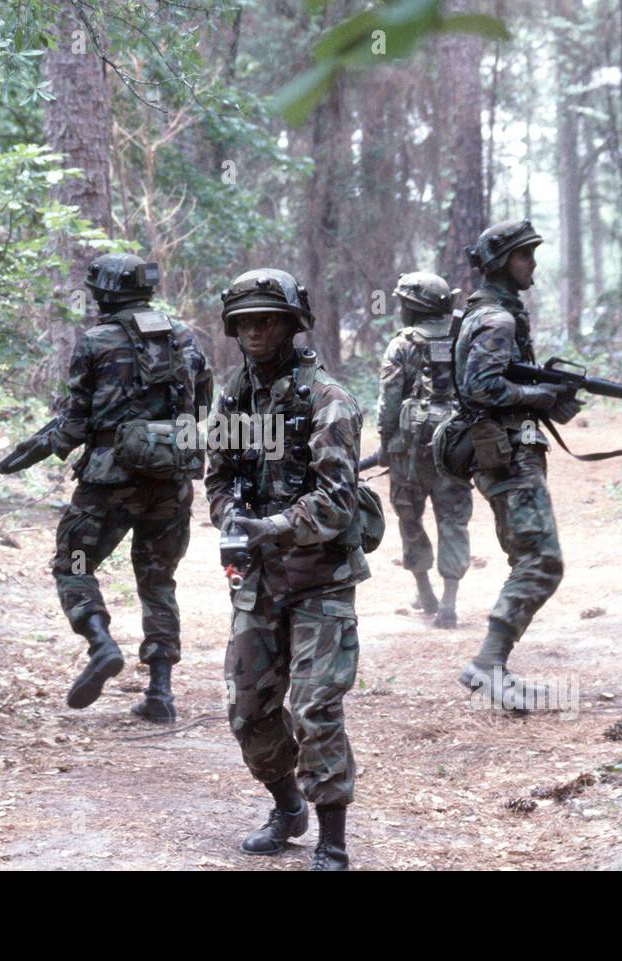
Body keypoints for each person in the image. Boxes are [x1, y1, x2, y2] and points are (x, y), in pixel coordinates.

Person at [206, 268, 368, 871]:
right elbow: (217, 477)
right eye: (244, 322)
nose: (254, 331)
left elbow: (337, 499)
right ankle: (286, 807)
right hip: (259, 581)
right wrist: (234, 521)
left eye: (266, 320)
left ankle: (332, 839)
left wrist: (271, 528)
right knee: (248, 709)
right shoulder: (234, 396)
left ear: (291, 324)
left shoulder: (329, 400)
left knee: (315, 706)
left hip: (320, 580)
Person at [44, 253, 212, 722]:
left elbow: (72, 425)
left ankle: (101, 645)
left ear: (103, 292)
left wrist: (21, 456)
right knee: (158, 581)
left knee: (73, 564)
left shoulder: (96, 341)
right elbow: (202, 404)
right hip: (171, 483)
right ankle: (160, 693)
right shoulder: (184, 337)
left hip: (107, 485)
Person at [452, 221, 581, 708]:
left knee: (530, 557)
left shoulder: (494, 314)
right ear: (504, 261)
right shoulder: (496, 320)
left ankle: (493, 664)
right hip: (504, 455)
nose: (533, 264)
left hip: (507, 450)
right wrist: (537, 396)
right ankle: (487, 664)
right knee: (540, 561)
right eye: (525, 256)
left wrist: (547, 400)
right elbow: (480, 388)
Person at [375, 271, 473, 628]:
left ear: (413, 308)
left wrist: (386, 443)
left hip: (409, 452)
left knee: (410, 517)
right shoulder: (462, 338)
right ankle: (448, 601)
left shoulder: (401, 345)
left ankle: (425, 591)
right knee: (453, 520)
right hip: (454, 447)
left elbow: (389, 401)